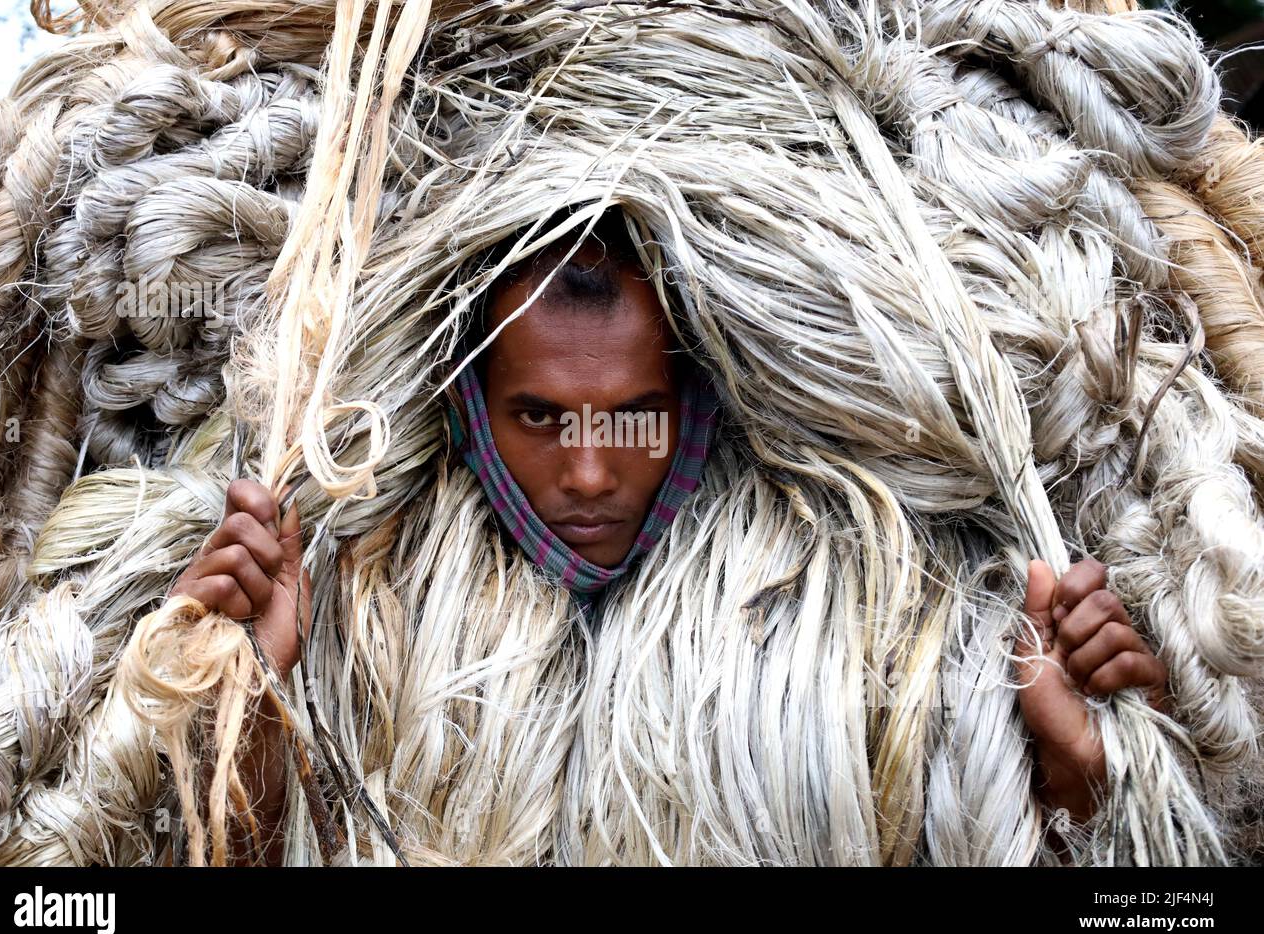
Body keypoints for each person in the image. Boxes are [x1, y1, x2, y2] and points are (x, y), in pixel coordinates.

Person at [169, 219, 1169, 864]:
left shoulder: (842, 599)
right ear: (472, 409)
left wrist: (1073, 765)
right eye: (541, 417)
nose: (593, 473)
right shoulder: (367, 599)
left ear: (693, 400)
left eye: (634, 413)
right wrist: (248, 686)